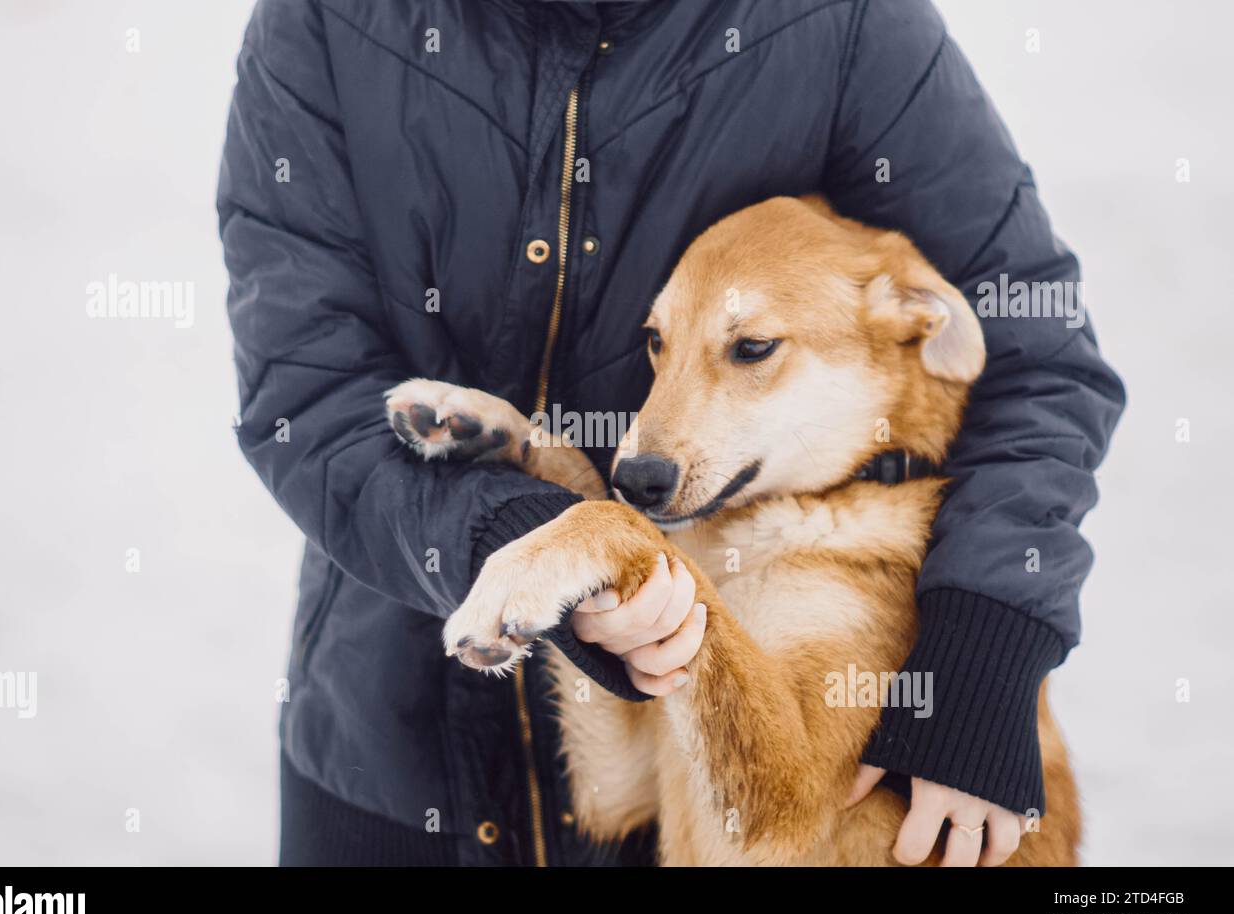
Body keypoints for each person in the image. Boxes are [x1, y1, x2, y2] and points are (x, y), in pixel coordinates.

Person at [217, 0, 1124, 867]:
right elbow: (306, 391)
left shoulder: (843, 22)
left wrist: (987, 641)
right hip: (389, 744)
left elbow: (1038, 354)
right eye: (657, 346)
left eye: (753, 348)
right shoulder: (322, 18)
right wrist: (540, 512)